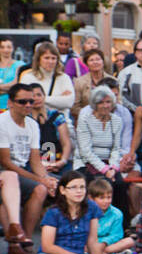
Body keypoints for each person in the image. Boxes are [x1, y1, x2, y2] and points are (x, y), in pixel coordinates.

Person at [0, 170, 105, 254]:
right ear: (63, 190)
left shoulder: (91, 207)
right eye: (73, 187)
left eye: (82, 187)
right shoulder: (53, 212)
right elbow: (47, 246)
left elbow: (92, 242)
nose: (79, 191)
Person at [0, 82, 57, 250]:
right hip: (4, 171)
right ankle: (17, 243)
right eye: (22, 102)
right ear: (10, 102)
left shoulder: (32, 124)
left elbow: (35, 160)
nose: (28, 105)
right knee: (36, 186)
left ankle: (25, 240)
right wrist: (39, 179)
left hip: (21, 171)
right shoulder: (2, 122)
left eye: (31, 102)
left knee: (44, 188)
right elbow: (5, 162)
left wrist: (46, 179)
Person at [76, 85, 133, 215]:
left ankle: (123, 226)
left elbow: (115, 148)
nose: (105, 105)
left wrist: (113, 167)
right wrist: (105, 170)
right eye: (101, 102)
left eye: (108, 102)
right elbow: (86, 151)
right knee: (104, 185)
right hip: (86, 163)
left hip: (109, 164)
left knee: (120, 185)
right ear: (94, 104)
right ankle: (97, 222)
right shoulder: (84, 120)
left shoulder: (117, 120)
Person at [19, 42, 75, 114]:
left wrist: (42, 99)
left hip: (61, 121)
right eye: (46, 58)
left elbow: (69, 102)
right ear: (39, 59)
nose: (50, 61)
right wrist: (58, 98)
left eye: (53, 58)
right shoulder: (28, 78)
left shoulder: (64, 78)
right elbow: (24, 100)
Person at [87, 177, 135, 254]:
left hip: (108, 244)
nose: (106, 201)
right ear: (91, 198)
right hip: (90, 244)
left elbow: (116, 235)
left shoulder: (116, 214)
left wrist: (104, 243)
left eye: (108, 197)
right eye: (102, 198)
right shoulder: (85, 212)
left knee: (129, 241)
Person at [31, 87, 72, 175]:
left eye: (39, 95)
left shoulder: (56, 116)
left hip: (58, 161)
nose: (36, 98)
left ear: (44, 96)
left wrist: (62, 162)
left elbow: (66, 143)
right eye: (32, 96)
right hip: (35, 165)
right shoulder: (26, 119)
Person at [71, 48, 113, 121]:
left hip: (109, 119)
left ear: (103, 62)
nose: (95, 62)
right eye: (91, 60)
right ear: (86, 64)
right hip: (86, 120)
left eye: (98, 59)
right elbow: (75, 107)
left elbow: (118, 102)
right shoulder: (79, 82)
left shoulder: (113, 80)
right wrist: (93, 115)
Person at [0, 37, 21, 111]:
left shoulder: (19, 65)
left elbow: (16, 84)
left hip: (12, 107)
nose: (5, 50)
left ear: (13, 48)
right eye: (2, 47)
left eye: (8, 47)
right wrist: (8, 89)